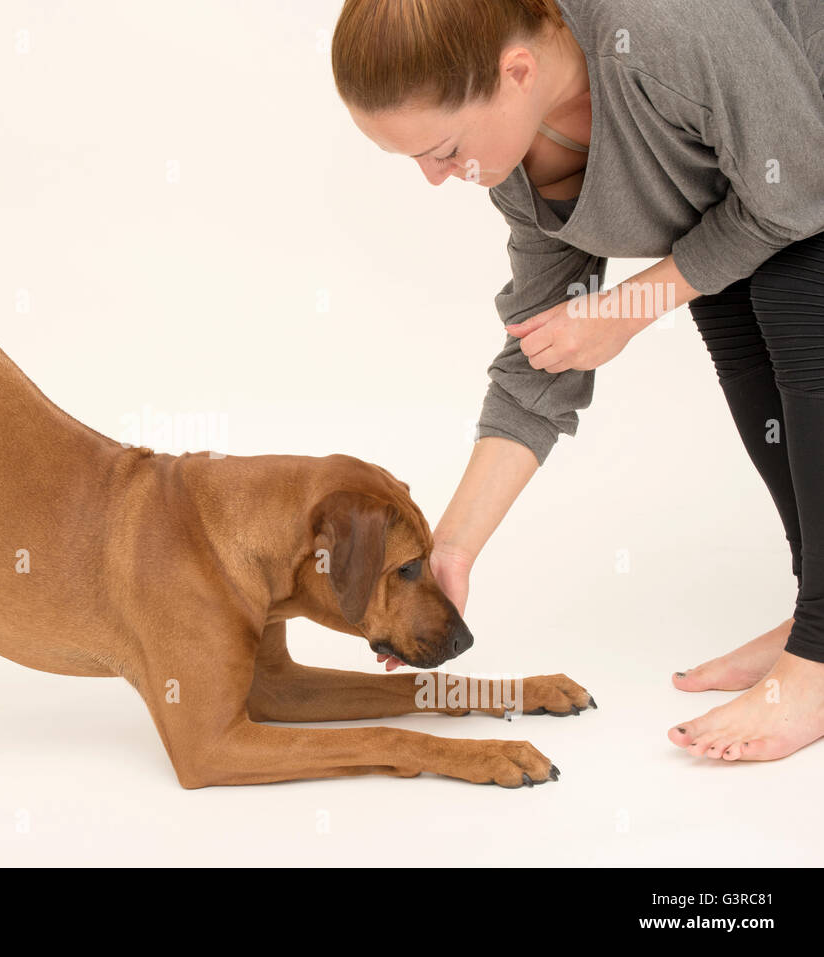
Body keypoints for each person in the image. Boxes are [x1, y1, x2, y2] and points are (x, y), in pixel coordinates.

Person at [331, 0, 824, 761]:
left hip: (812, 171)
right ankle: (814, 608)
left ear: (516, 72)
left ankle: (823, 650)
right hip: (795, 201)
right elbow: (539, 367)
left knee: (792, 287)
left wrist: (631, 306)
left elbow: (798, 185)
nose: (434, 179)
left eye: (442, 148)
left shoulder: (663, 28)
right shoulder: (522, 177)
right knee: (723, 290)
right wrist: (450, 551)